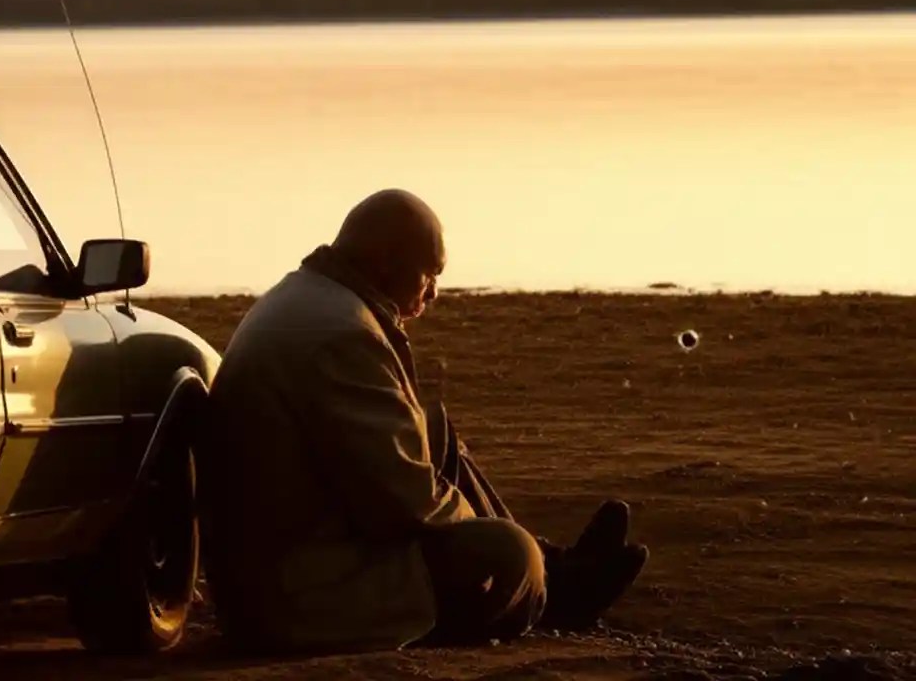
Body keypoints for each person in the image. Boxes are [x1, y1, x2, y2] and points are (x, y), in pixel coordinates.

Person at [195, 188, 649, 655]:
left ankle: (558, 572)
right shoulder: (342, 335)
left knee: (435, 433)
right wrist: (489, 531)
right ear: (385, 263)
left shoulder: (310, 296)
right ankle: (554, 589)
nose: (433, 293)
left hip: (296, 540)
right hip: (300, 592)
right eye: (428, 274)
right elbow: (403, 503)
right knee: (508, 554)